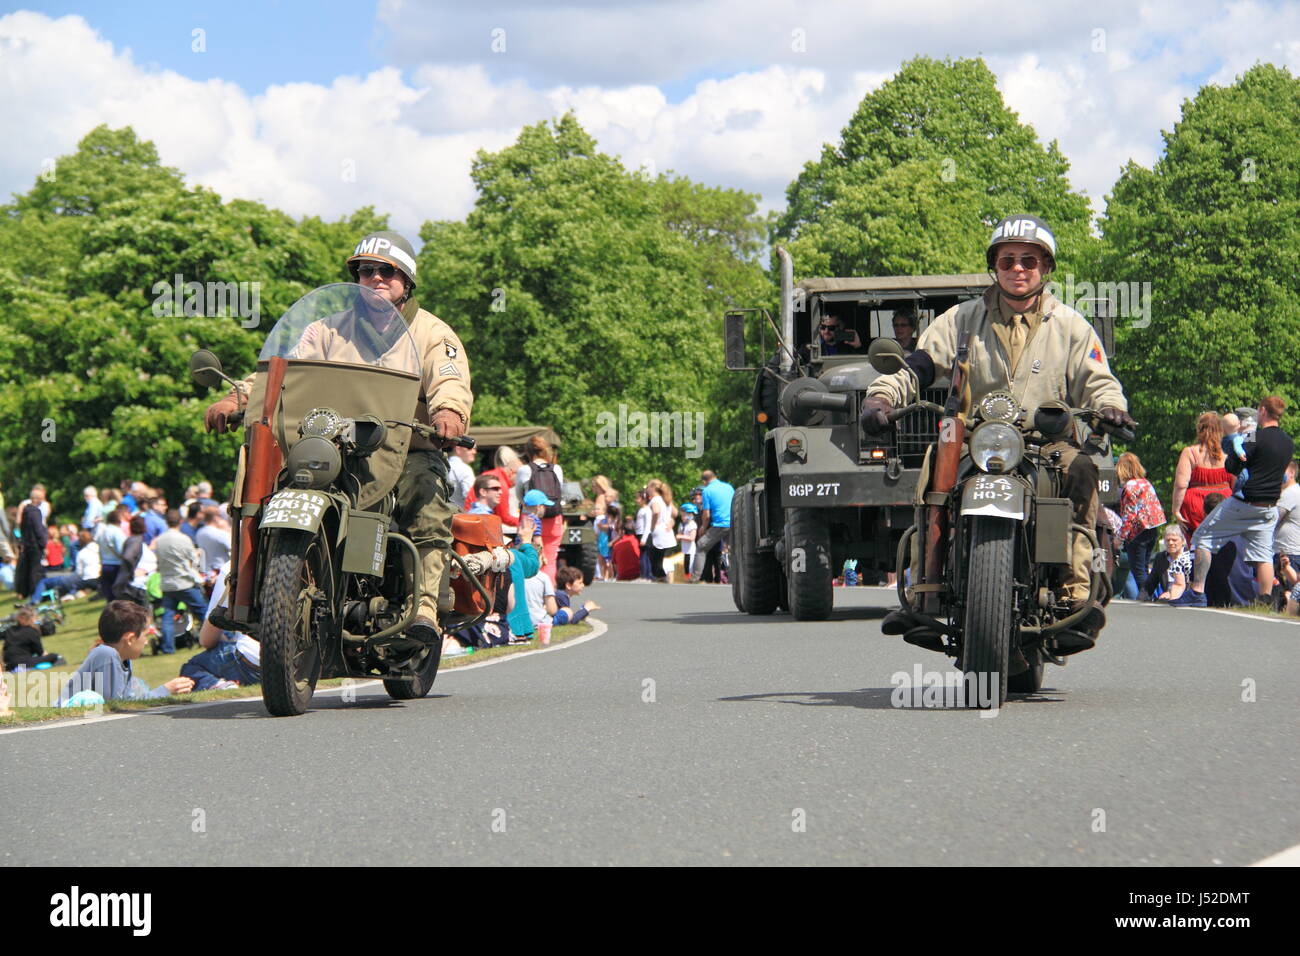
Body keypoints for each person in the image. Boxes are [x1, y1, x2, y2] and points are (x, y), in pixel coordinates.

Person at [862, 214, 1133, 661]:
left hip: (1046, 439)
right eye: (1008, 260)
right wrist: (881, 396)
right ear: (995, 267)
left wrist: (1110, 407)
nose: (1018, 268)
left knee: (1081, 467)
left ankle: (1074, 593)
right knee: (934, 469)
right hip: (975, 437)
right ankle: (924, 588)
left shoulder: (1070, 325)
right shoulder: (962, 319)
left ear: (1045, 267)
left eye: (1029, 259)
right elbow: (921, 365)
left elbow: (1097, 377)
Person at [206, 231, 473, 647]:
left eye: (387, 271)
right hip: (331, 448)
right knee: (261, 481)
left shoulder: (433, 334)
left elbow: (451, 381)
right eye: (366, 271)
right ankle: (243, 588)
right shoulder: (327, 331)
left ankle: (422, 608)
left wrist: (449, 412)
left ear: (407, 281)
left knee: (425, 495)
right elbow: (284, 370)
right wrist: (237, 397)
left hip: (404, 450)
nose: (376, 278)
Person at [1171, 397, 1294, 607]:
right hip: (1269, 506)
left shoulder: (1255, 436)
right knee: (1263, 554)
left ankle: (1197, 592)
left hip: (1245, 502)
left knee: (1202, 537)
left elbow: (1233, 465)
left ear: (1263, 411)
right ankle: (1264, 601)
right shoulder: (1287, 441)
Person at [59, 601, 195, 703]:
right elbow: (117, 706)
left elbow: (129, 700)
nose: (146, 642)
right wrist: (166, 690)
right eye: (145, 635)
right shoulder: (106, 655)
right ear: (130, 639)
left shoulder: (120, 658)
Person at [180, 562, 259, 690]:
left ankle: (220, 685)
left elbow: (207, 640)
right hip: (297, 664)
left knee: (191, 667)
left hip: (253, 664)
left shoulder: (232, 566)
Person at [154, 509, 206, 655]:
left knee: (167, 617)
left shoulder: (159, 540)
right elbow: (194, 561)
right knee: (202, 610)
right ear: (181, 521)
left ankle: (168, 648)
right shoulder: (184, 539)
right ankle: (220, 638)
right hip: (184, 582)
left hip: (167, 583)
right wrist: (197, 554)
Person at [1172, 412, 1233, 535]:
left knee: (1197, 544)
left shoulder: (1190, 452)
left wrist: (1176, 510)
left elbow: (1181, 485)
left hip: (1196, 506)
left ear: (1199, 429)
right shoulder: (1230, 452)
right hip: (1225, 503)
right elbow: (1237, 483)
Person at [1115, 452, 1166, 597]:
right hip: (1153, 528)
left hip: (1138, 532)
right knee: (1144, 567)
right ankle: (1150, 596)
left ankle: (1145, 598)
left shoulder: (1130, 486)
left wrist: (1120, 538)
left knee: (1138, 570)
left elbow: (1129, 516)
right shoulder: (1145, 482)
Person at [515, 435, 565, 583]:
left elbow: (520, 495)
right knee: (550, 557)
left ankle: (531, 592)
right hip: (553, 516)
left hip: (529, 518)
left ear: (528, 452)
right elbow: (560, 491)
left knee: (530, 555)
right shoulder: (557, 469)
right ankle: (548, 593)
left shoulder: (524, 470)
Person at [32, 528, 100, 603]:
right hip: (97, 578)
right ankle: (70, 594)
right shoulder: (98, 548)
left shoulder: (81, 553)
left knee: (44, 581)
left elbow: (79, 572)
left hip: (55, 568)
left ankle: (35, 600)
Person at [691, 470, 735, 582]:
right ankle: (734, 578)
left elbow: (706, 514)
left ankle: (695, 577)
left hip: (719, 524)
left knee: (701, 546)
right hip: (733, 523)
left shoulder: (707, 491)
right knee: (733, 550)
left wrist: (703, 528)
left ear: (704, 481)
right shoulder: (729, 487)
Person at [1141, 525, 1193, 602]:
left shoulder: (1190, 558)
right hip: (1165, 598)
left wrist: (1171, 594)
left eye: (1174, 540)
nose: (1170, 543)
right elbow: (1150, 583)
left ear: (1183, 541)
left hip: (1186, 597)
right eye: (1167, 540)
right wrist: (1140, 601)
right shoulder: (1161, 558)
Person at [14, 490, 49, 599]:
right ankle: (35, 592)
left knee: (27, 569)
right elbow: (38, 529)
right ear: (37, 499)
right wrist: (43, 543)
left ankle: (25, 592)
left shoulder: (25, 511)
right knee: (36, 570)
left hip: (27, 543)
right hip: (35, 545)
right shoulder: (35, 512)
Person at [447, 443, 476, 512]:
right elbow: (470, 497)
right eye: (470, 448)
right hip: (460, 517)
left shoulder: (441, 465)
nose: (474, 452)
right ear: (458, 449)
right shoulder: (465, 469)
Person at [677, 503, 698, 582]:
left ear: (690, 515)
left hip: (690, 551)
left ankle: (690, 580)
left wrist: (680, 536)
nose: (682, 517)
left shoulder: (692, 524)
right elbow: (678, 538)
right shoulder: (682, 525)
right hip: (685, 550)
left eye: (684, 515)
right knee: (686, 567)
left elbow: (692, 538)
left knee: (690, 567)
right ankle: (687, 580)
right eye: (682, 515)